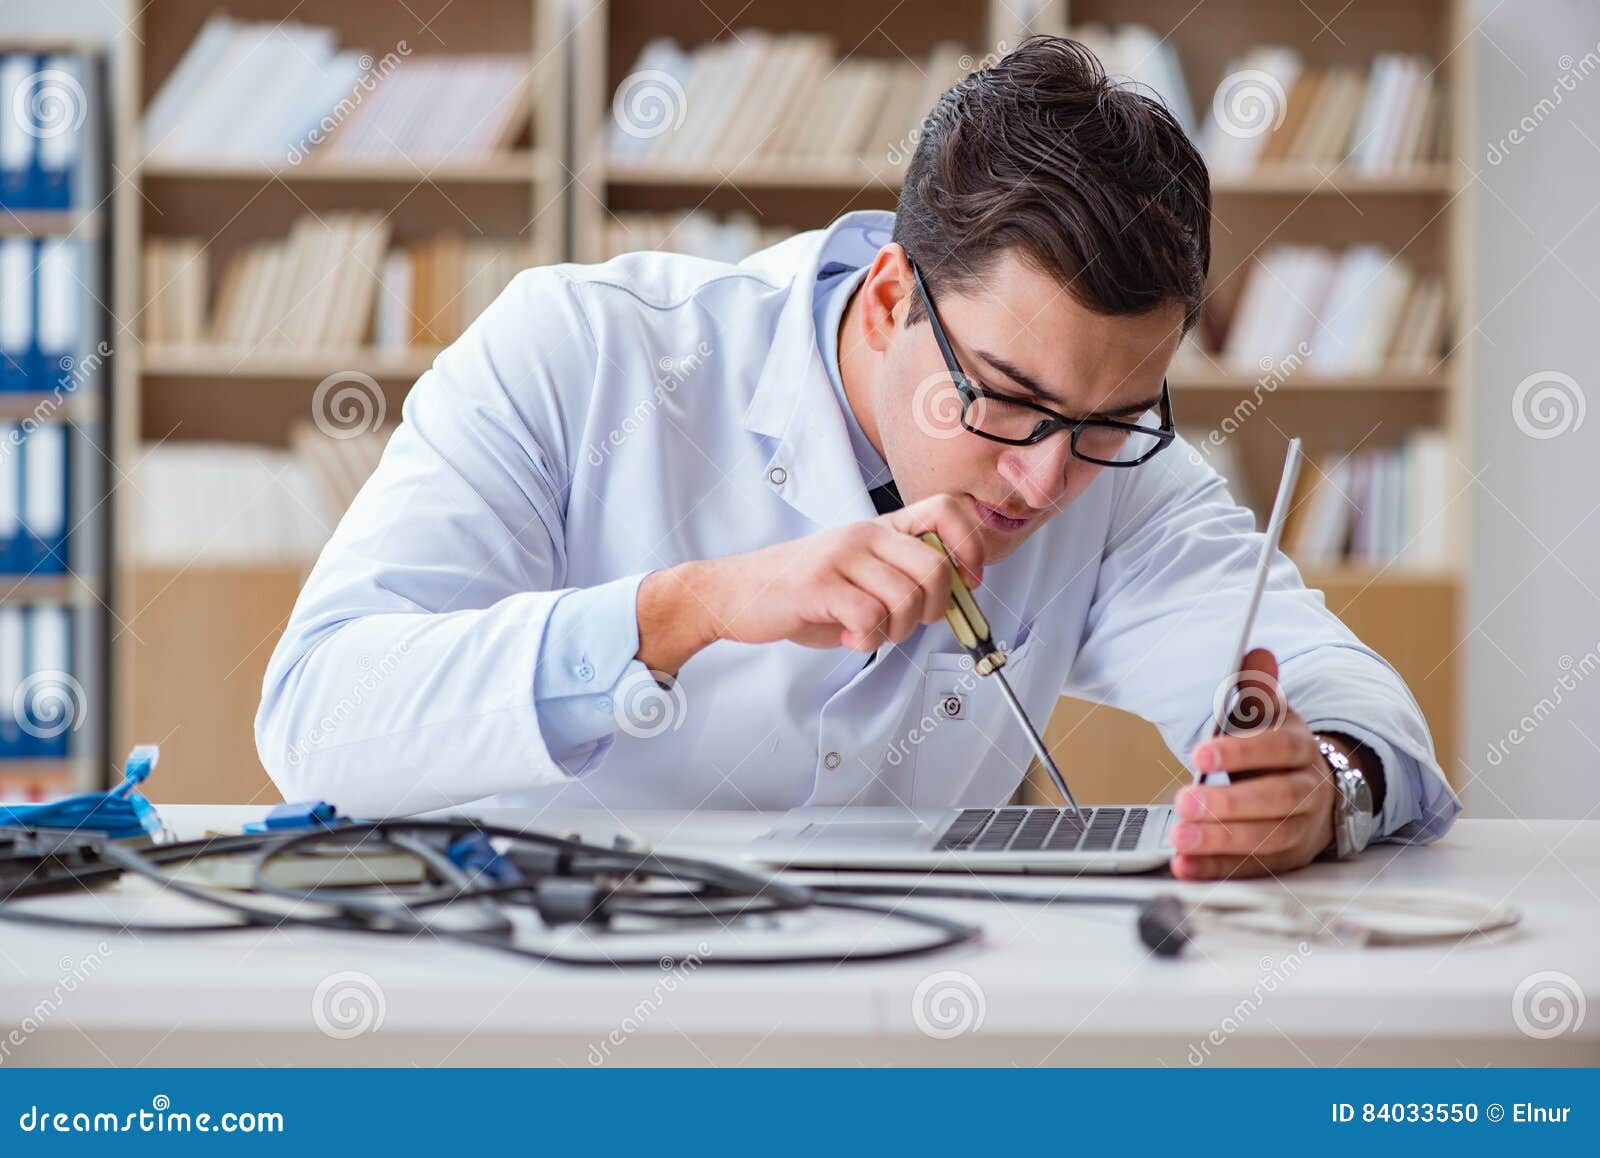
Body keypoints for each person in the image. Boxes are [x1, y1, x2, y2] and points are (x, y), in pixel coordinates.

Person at [257, 37, 1459, 878]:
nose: (1047, 480)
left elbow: (1354, 702)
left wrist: (1325, 783)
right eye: (1008, 400)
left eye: (1109, 419)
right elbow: (316, 718)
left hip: (895, 1021)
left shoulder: (1116, 468)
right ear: (890, 298)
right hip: (536, 1006)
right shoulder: (583, 351)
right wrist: (690, 608)